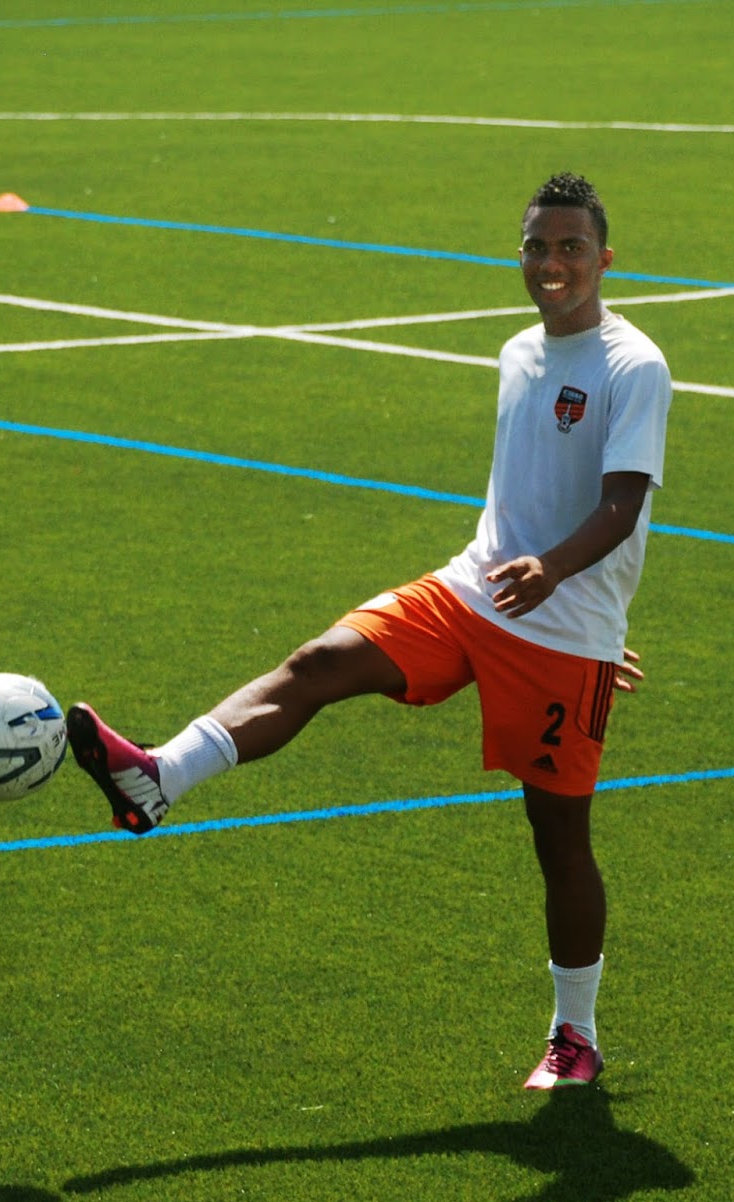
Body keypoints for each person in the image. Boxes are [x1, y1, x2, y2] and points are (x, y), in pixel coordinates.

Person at [67, 172, 672, 1090]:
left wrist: (573, 601)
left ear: (604, 260)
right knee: (317, 663)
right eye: (538, 247)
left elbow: (621, 506)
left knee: (557, 838)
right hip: (471, 594)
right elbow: (527, 494)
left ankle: (574, 1035)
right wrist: (525, 570)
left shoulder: (634, 366)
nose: (553, 265)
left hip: (560, 630)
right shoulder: (516, 352)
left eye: (571, 248)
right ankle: (155, 777)